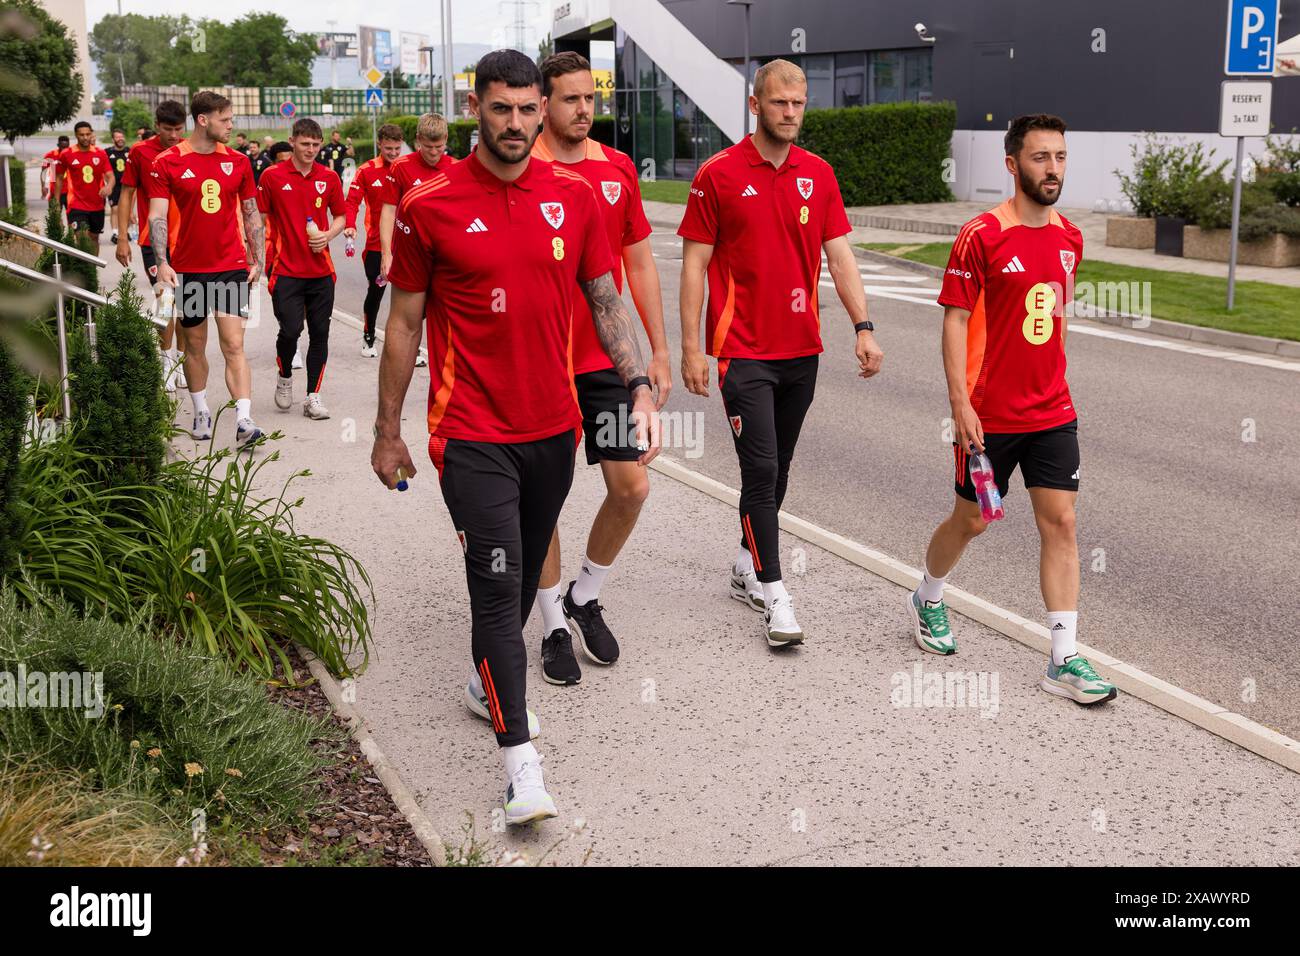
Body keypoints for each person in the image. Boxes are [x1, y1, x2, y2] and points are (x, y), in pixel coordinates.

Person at [371, 49, 660, 826]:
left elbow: (604, 297)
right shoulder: (430, 203)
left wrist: (637, 382)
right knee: (499, 590)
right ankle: (522, 767)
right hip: (469, 436)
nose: (519, 124)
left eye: (530, 110)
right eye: (503, 109)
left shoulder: (574, 195)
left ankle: (483, 682)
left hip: (553, 430)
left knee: (528, 569)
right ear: (476, 108)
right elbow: (402, 324)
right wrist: (387, 431)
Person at [909, 113, 1116, 705]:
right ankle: (928, 596)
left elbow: (1056, 320)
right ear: (1012, 164)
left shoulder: (1070, 238)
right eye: (1039, 158)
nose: (1051, 169)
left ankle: (1063, 657)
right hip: (988, 418)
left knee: (1063, 524)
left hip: (1052, 413)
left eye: (1059, 157)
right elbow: (953, 318)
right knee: (972, 520)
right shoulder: (982, 235)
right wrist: (960, 402)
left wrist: (1054, 378)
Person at [679, 59, 884, 648]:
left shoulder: (818, 174)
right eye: (779, 104)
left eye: (798, 104)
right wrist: (692, 347)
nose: (790, 113)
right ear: (755, 105)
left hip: (802, 350)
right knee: (761, 470)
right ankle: (776, 595)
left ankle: (746, 565)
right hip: (741, 352)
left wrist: (863, 326)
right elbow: (694, 266)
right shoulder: (717, 175)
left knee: (779, 469)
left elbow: (840, 256)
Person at [525, 52, 671, 685]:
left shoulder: (614, 170)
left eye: (590, 98)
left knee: (631, 485)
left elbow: (636, 264)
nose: (584, 109)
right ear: (544, 103)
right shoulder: (522, 170)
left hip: (604, 364)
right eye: (570, 99)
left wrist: (657, 351)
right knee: (546, 498)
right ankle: (553, 621)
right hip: (540, 365)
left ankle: (586, 594)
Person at [146, 90, 265, 450]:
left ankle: (244, 419)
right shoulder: (167, 162)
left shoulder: (239, 162)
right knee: (195, 346)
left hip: (230, 266)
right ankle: (200, 410)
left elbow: (251, 213)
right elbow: (157, 216)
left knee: (234, 344)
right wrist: (163, 261)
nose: (231, 126)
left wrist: (257, 258)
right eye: (225, 120)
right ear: (203, 120)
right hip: (189, 269)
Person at [257, 118, 345, 421]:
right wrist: (257, 258)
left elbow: (341, 217)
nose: (311, 150)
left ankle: (312, 396)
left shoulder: (329, 178)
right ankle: (284, 377)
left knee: (320, 333)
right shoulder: (271, 176)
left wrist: (327, 235)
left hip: (322, 272)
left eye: (316, 145)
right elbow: (259, 218)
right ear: (292, 141)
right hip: (285, 270)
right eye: (305, 144)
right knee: (291, 330)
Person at [115, 100, 188, 391]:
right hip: (152, 240)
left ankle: (183, 360)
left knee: (187, 302)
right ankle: (165, 360)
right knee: (166, 299)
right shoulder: (140, 152)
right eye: (168, 129)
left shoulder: (189, 150)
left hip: (187, 240)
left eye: (179, 129)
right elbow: (126, 194)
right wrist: (123, 237)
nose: (173, 135)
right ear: (156, 125)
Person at [344, 124, 403, 358]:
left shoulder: (407, 168)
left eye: (398, 148)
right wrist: (350, 224)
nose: (394, 153)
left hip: (406, 245)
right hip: (377, 246)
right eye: (389, 148)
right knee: (376, 291)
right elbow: (352, 201)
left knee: (411, 296)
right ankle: (369, 337)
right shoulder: (367, 170)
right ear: (380, 144)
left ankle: (409, 344)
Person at [379, 112, 454, 281]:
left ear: (446, 138)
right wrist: (386, 254)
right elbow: (389, 211)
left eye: (439, 146)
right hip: (409, 255)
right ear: (418, 138)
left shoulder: (456, 168)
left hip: (444, 257)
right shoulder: (400, 166)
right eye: (428, 147)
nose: (434, 152)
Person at [52, 122, 115, 244]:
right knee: (82, 239)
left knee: (94, 239)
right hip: (76, 204)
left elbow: (110, 176)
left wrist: (109, 186)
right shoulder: (66, 154)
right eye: (82, 135)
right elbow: (59, 178)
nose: (85, 137)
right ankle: (84, 263)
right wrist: (56, 201)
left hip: (97, 204)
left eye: (88, 134)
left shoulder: (100, 153)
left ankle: (92, 264)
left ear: (91, 134)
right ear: (76, 135)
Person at [104, 129, 130, 244]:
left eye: (122, 136)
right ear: (113, 139)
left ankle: (124, 231)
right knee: (115, 209)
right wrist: (107, 184)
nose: (120, 139)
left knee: (126, 209)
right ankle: (115, 232)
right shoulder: (107, 152)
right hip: (114, 186)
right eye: (117, 137)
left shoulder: (130, 151)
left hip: (128, 185)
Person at [40, 136, 70, 217]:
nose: (64, 150)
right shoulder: (50, 155)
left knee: (73, 219)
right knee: (54, 217)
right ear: (58, 145)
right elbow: (43, 171)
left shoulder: (72, 155)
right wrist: (43, 186)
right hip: (55, 191)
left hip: (70, 193)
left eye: (66, 147)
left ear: (69, 145)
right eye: (62, 147)